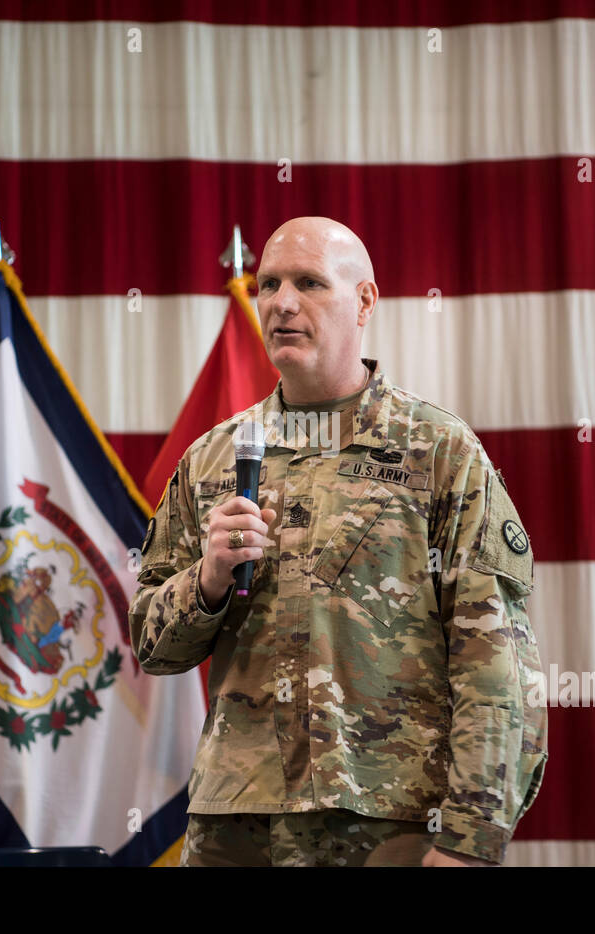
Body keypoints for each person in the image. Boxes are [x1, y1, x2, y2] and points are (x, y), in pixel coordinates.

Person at [129, 216, 547, 866]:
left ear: (365, 301)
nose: (282, 303)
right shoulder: (213, 460)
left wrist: (470, 839)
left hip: (387, 822)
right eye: (269, 284)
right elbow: (150, 647)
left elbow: (495, 667)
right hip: (238, 824)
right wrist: (207, 580)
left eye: (309, 283)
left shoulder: (439, 453)